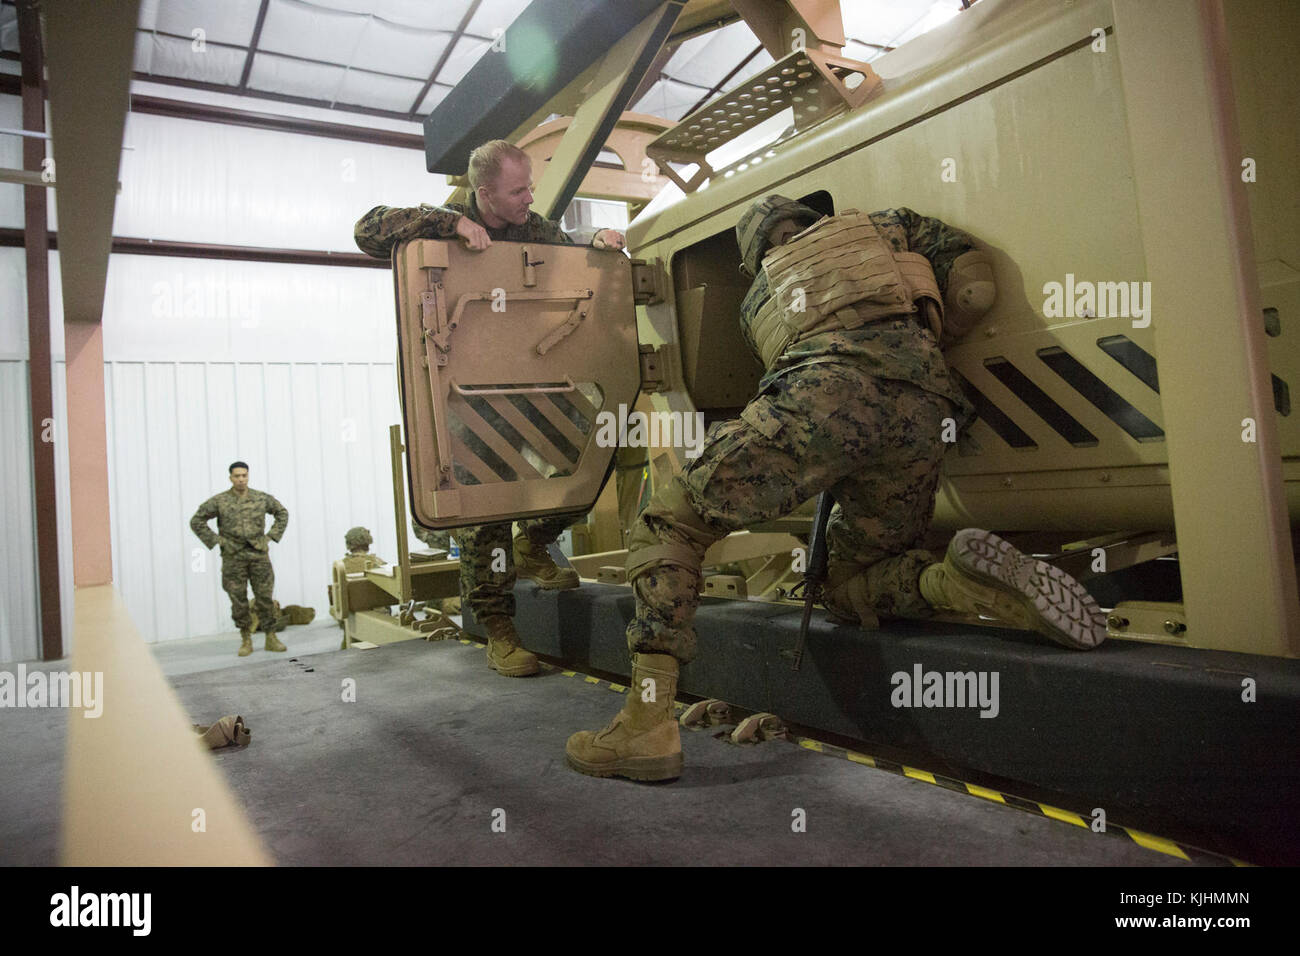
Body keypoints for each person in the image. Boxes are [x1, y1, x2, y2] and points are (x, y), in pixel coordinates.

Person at [564, 195, 1106, 782]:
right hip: (926, 411)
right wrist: (918, 341)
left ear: (754, 253)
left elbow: (789, 383)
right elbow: (973, 284)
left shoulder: (758, 293)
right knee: (852, 584)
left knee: (667, 522)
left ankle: (646, 725)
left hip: (824, 396)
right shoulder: (891, 225)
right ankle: (952, 581)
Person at [354, 139, 624, 678]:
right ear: (484, 193)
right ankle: (499, 629)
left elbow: (565, 245)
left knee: (600, 449)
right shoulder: (442, 222)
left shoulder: (533, 228)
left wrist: (592, 240)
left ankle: (538, 539)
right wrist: (444, 225)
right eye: (517, 189)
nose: (529, 198)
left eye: (529, 186)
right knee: (485, 515)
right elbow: (367, 228)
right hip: (468, 395)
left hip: (537, 382)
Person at [190, 461, 290, 657]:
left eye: (244, 475)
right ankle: (246, 638)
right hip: (233, 557)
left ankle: (271, 636)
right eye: (237, 476)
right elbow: (197, 520)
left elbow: (282, 513)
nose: (241, 479)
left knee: (265, 598)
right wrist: (217, 541)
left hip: (258, 555)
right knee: (238, 600)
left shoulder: (261, 498)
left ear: (248, 476)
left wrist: (271, 536)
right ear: (230, 478)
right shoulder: (220, 501)